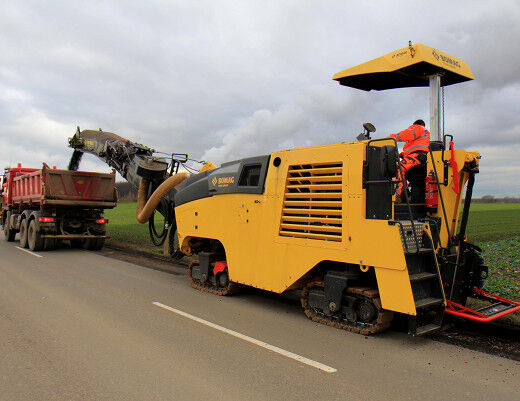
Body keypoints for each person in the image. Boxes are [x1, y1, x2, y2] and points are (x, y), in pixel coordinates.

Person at [390, 119, 430, 202]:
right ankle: (404, 193)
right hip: (420, 156)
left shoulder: (418, 128)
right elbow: (414, 148)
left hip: (417, 156)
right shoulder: (423, 136)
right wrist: (401, 155)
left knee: (399, 168)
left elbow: (406, 134)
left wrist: (391, 138)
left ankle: (397, 195)